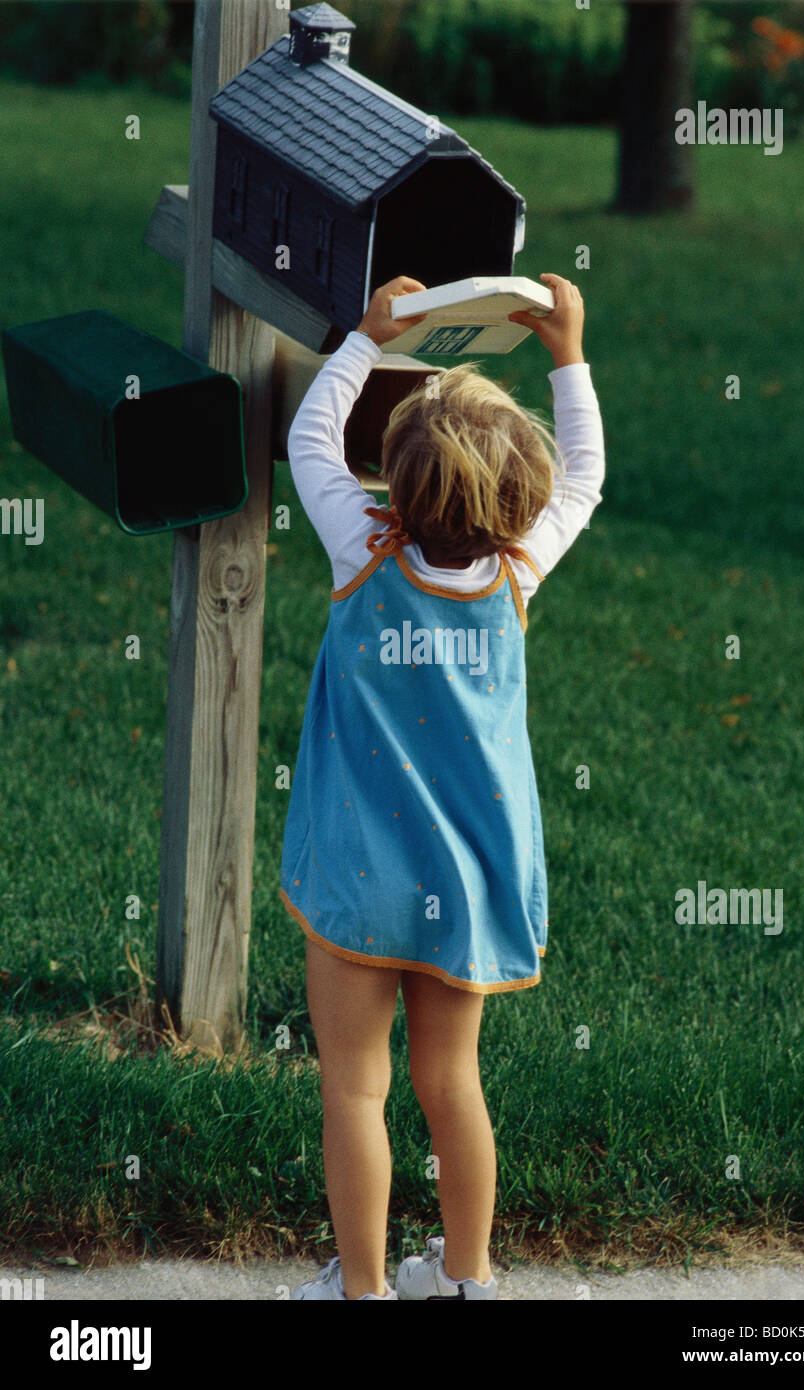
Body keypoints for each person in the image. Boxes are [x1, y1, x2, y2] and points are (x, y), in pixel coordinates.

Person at [281, 272, 605, 1300]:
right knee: (449, 1083)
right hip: (466, 887)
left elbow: (307, 441)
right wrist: (567, 354)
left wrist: (367, 339)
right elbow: (588, 477)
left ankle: (363, 1290)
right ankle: (469, 1281)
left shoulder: (361, 551)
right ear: (524, 498)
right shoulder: (519, 573)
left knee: (355, 1088)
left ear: (397, 482)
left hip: (357, 880)